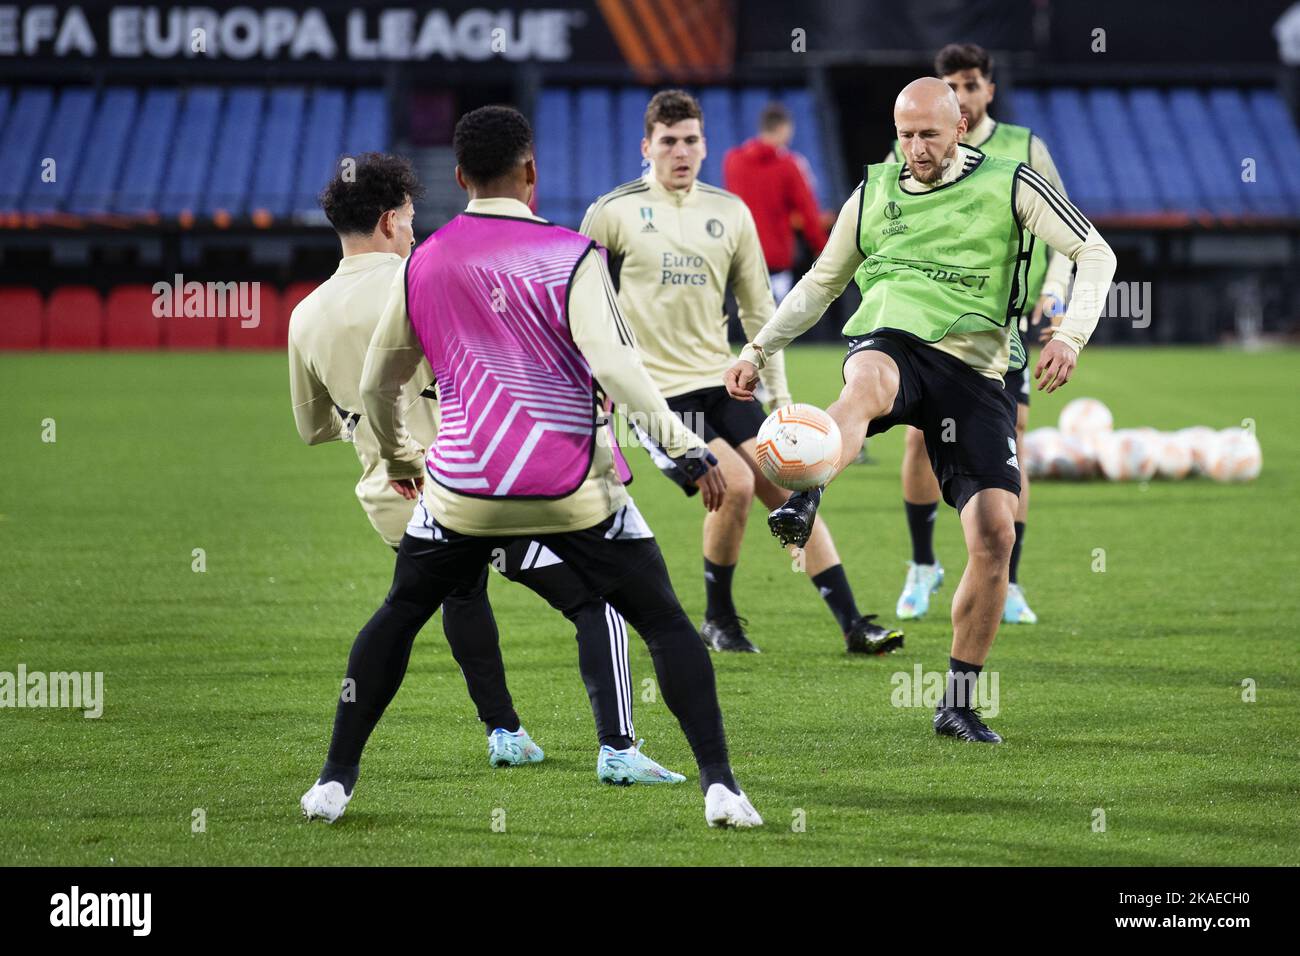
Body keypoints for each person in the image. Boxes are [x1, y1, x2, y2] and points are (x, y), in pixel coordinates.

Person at [301, 106, 762, 828]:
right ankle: (722, 787)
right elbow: (616, 367)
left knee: (399, 615)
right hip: (573, 491)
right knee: (666, 624)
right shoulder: (572, 255)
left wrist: (397, 457)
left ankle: (333, 782)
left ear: (457, 179)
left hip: (462, 492)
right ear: (532, 173)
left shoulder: (424, 261)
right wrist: (686, 446)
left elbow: (374, 385)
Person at [725, 79, 1117, 743]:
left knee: (995, 534)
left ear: (960, 126)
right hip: (893, 342)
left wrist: (1070, 337)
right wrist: (758, 349)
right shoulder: (875, 189)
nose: (914, 147)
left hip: (976, 369)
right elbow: (823, 281)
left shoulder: (1012, 182)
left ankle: (957, 704)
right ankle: (809, 492)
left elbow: (1094, 251)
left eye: (928, 134)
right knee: (866, 384)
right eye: (905, 134)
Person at [581, 89, 901, 657]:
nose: (681, 152)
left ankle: (854, 624)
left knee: (790, 484)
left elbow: (760, 313)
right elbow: (583, 304)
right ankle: (720, 619)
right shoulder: (611, 213)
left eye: (691, 140)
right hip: (655, 393)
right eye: (669, 142)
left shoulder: (729, 213)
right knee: (731, 482)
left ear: (706, 145)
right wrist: (596, 388)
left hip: (724, 379)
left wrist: (779, 397)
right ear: (646, 146)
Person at [889, 43, 1076, 625]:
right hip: (928, 324)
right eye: (953, 83)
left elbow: (1068, 229)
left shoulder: (1023, 150)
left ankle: (1009, 578)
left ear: (986, 91)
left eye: (971, 83)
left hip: (1003, 326)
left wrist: (1057, 295)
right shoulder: (922, 146)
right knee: (917, 439)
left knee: (1011, 440)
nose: (962, 92)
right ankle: (922, 565)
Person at [723, 101, 829, 304]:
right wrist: (823, 249)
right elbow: (808, 213)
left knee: (748, 321)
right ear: (783, 128)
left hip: (742, 254)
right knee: (775, 324)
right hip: (777, 258)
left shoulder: (732, 160)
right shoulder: (789, 165)